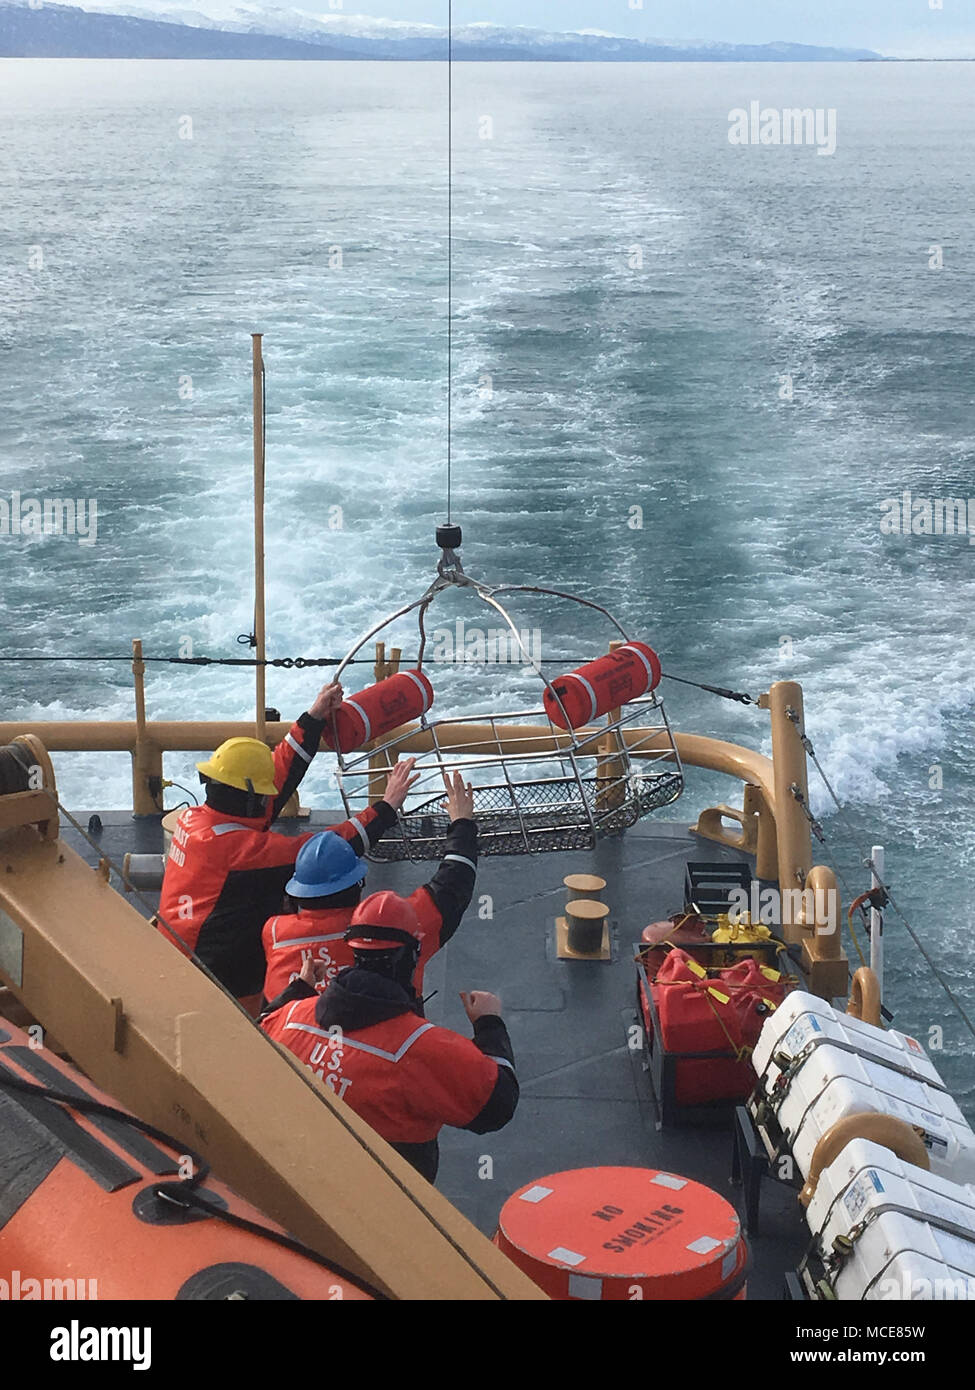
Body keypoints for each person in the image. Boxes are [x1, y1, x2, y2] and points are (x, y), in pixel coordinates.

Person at [156, 680, 418, 1014]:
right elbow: (324, 849)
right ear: (250, 799)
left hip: (174, 959)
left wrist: (314, 716)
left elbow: (277, 773)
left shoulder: (198, 819)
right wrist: (386, 807)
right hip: (214, 984)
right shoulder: (242, 852)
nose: (269, 797)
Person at [260, 899, 518, 1183]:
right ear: (410, 956)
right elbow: (497, 1103)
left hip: (302, 1182)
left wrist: (299, 988)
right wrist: (488, 1023)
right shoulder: (419, 1047)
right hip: (391, 1202)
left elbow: (257, 1031)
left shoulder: (291, 1016)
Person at [260, 770, 478, 1006]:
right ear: (357, 885)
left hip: (289, 1041)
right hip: (392, 1040)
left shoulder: (274, 932)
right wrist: (461, 822)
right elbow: (453, 883)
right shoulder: (397, 929)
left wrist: (385, 808)